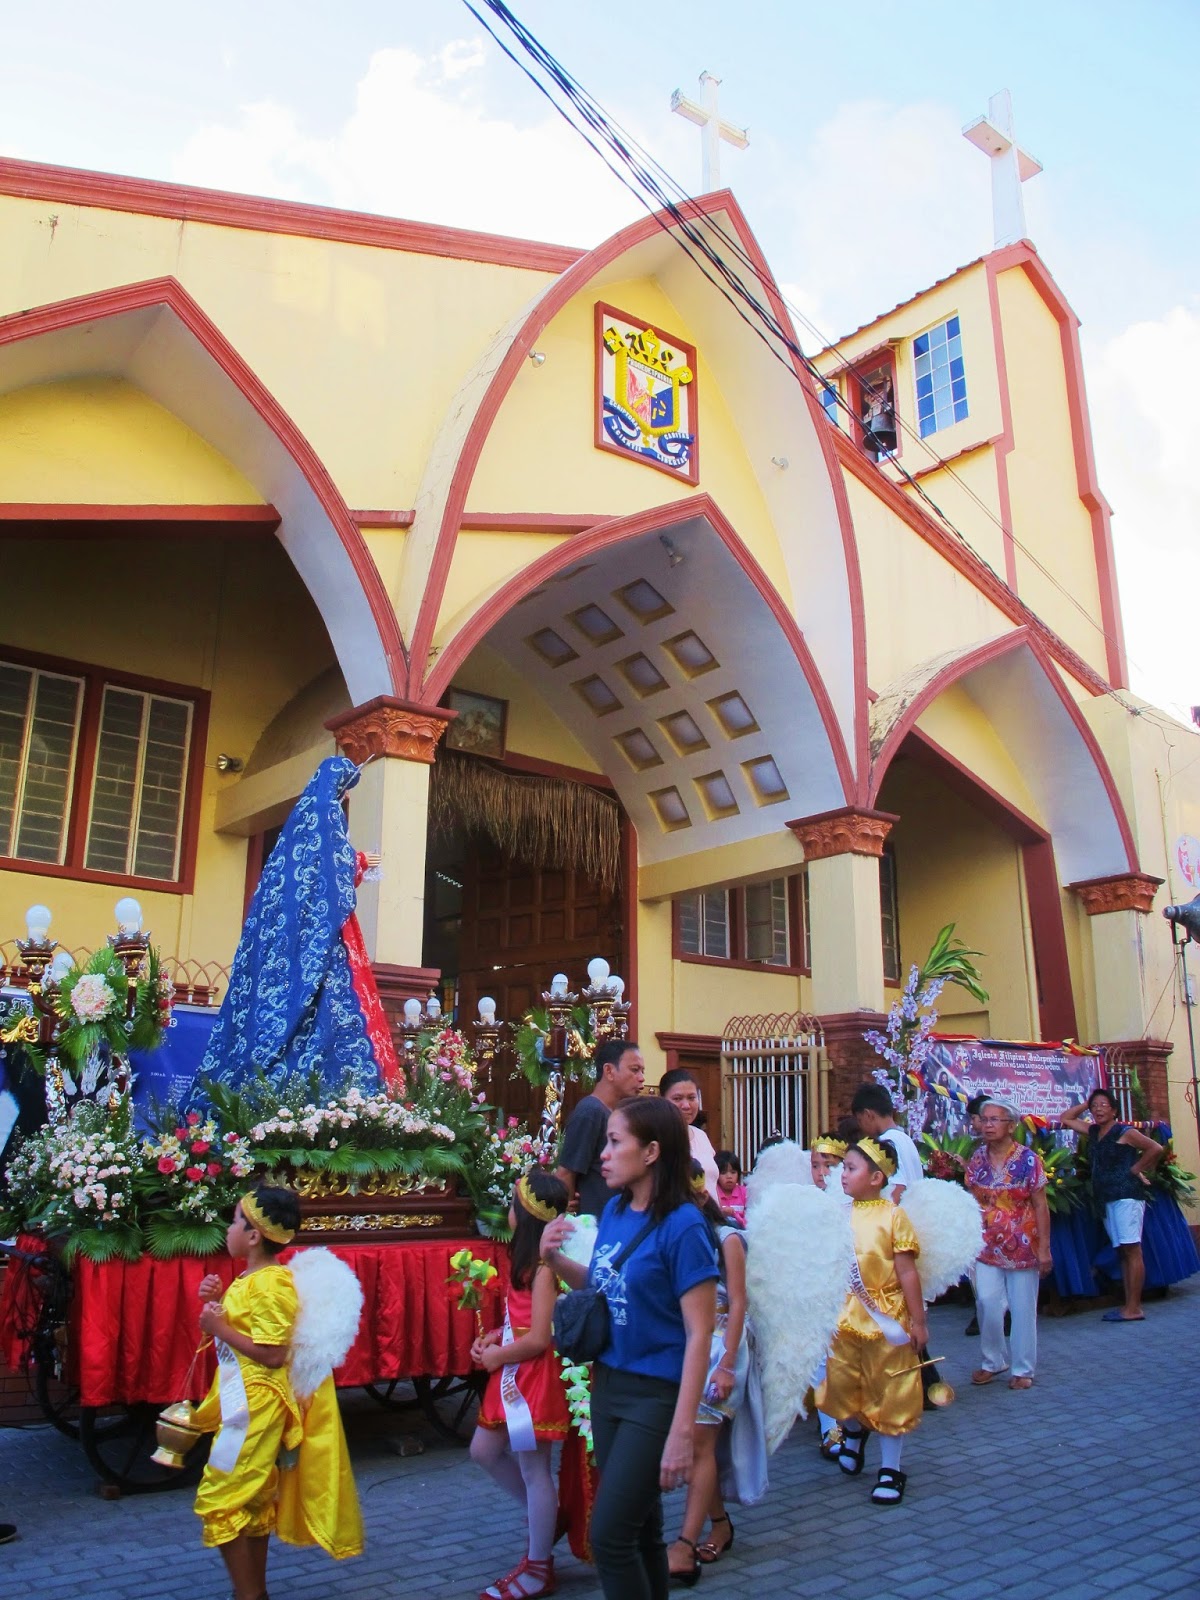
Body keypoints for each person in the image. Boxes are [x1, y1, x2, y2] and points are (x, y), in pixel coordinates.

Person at [540, 1096, 718, 1600]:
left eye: (616, 1142)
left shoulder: (683, 1226)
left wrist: (684, 1430)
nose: (603, 1153)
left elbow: (700, 1333)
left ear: (652, 1152)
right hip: (609, 1384)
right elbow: (600, 1287)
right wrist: (553, 1260)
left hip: (656, 1396)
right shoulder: (616, 1210)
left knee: (609, 1536)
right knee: (640, 1531)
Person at [192, 1185, 363, 1600]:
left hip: (256, 1403)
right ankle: (252, 1592)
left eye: (236, 1220)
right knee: (250, 1498)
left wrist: (220, 1328)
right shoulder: (253, 1279)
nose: (229, 1228)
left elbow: (272, 1355)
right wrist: (219, 1304)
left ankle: (248, 1595)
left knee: (220, 1495)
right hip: (242, 1396)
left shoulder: (271, 1284)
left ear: (254, 1236)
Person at [470, 1167, 572, 1600]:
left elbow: (540, 1337)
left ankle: (538, 1566)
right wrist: (496, 1336)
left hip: (532, 1373)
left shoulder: (546, 1268)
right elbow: (523, 1322)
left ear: (525, 1215)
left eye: (513, 1203)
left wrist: (497, 1355)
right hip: (514, 1366)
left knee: (534, 1469)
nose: (507, 1210)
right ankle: (546, 1519)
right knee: (483, 1450)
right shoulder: (523, 1260)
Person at [815, 1140, 927, 1506]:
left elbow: (907, 1272)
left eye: (850, 1168)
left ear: (877, 1178)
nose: (841, 1174)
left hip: (887, 1317)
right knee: (843, 1383)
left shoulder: (894, 1216)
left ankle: (891, 1468)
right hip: (845, 1316)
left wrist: (918, 1321)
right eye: (842, 1167)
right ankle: (852, 1432)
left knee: (890, 1388)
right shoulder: (838, 1213)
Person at [666, 1163, 747, 1583]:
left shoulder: (726, 1238)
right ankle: (718, 1521)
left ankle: (685, 1541)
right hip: (684, 1348)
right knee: (700, 1448)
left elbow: (737, 1303)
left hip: (719, 1350)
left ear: (701, 1197)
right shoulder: (673, 1234)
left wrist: (729, 1363)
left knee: (701, 1444)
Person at [964, 1101, 1052, 1390]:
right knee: (987, 1302)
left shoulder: (1028, 1160)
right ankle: (993, 1361)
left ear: (1011, 1125)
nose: (988, 1125)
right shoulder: (977, 1159)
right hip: (986, 1245)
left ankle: (1023, 1368)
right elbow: (969, 1201)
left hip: (1023, 1244)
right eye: (985, 1120)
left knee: (1022, 1307)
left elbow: (1040, 1204)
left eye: (995, 1120)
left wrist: (1044, 1248)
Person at [1062, 1086, 1162, 1322]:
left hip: (1126, 1195)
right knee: (1123, 1251)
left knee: (1132, 1249)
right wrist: (1087, 1103)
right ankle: (1129, 1304)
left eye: (1103, 1105)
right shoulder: (1095, 1132)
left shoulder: (1124, 1131)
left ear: (1114, 1110)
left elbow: (1155, 1148)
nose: (1098, 1109)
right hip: (1107, 1197)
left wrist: (1136, 1169)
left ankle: (1134, 1307)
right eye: (1095, 1106)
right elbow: (1066, 1118)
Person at [555, 1039, 645, 1217]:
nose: (641, 1078)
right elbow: (566, 1172)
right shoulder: (590, 1112)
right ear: (609, 1071)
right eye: (634, 1070)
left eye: (642, 1071)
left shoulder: (616, 1113)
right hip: (594, 1223)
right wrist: (567, 1216)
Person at [851, 1084, 924, 1203]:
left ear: (868, 1115)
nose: (860, 1126)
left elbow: (897, 1188)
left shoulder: (885, 1143)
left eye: (860, 1120)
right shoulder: (905, 1139)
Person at [659, 1069, 720, 1201]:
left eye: (692, 1098)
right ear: (662, 1100)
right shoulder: (656, 1139)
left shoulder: (701, 1136)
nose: (686, 1105)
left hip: (711, 1219)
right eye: (677, 1098)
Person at [714, 1150, 747, 1227]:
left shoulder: (745, 1192)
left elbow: (750, 1218)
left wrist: (734, 1214)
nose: (729, 1176)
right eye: (723, 1172)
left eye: (733, 1172)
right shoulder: (714, 1193)